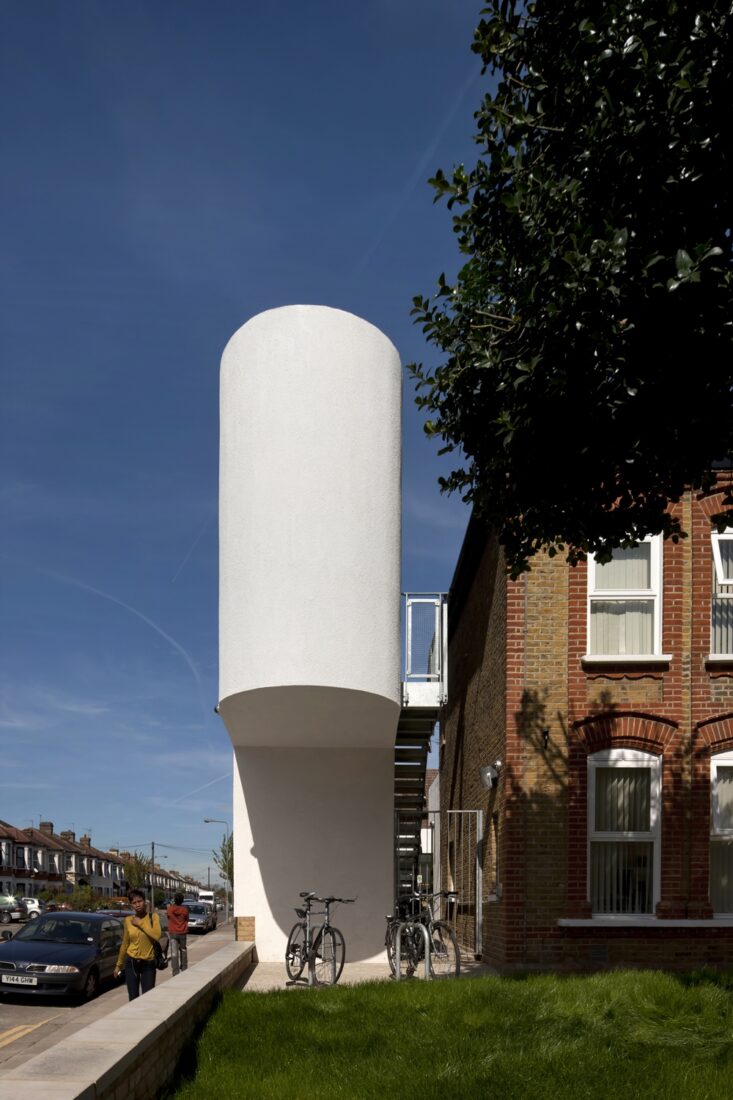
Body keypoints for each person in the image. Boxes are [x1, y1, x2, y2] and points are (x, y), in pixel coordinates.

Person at [113, 890, 162, 1000]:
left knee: (147, 997)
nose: (137, 905)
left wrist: (139, 923)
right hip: (131, 962)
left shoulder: (153, 917)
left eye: (139, 901)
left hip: (148, 963)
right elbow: (125, 944)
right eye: (134, 903)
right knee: (133, 998)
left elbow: (157, 935)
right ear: (131, 905)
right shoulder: (128, 920)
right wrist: (118, 965)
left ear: (145, 902)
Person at [166, 892, 189, 975]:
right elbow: (187, 919)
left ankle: (175, 971)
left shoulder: (170, 909)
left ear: (174, 900)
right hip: (182, 932)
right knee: (183, 950)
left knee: (174, 952)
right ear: (182, 900)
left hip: (173, 932)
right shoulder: (185, 910)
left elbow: (168, 917)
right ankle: (184, 967)